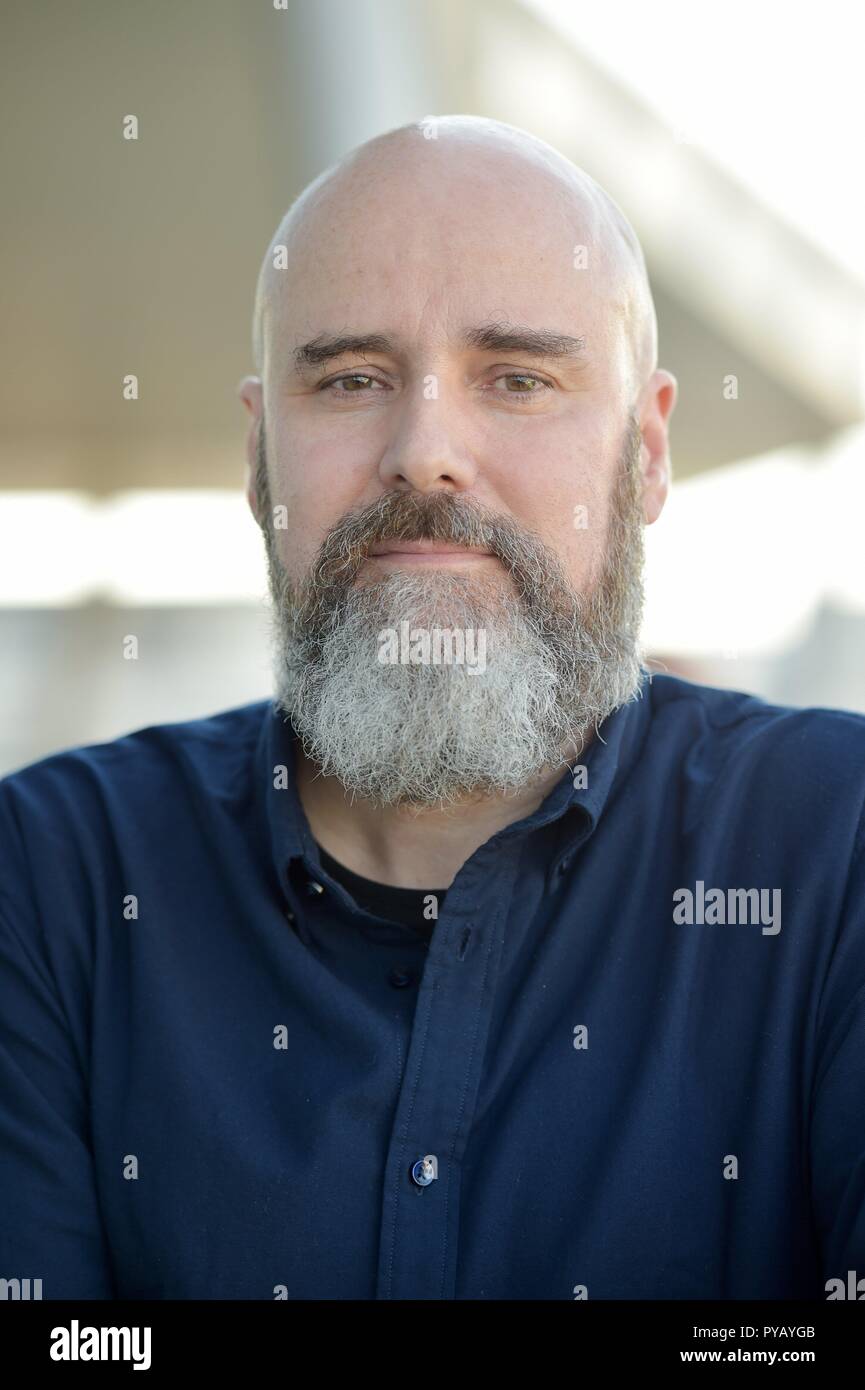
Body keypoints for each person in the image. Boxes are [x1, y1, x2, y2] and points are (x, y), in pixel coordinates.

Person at [1, 116, 863, 1301]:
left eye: (517, 378)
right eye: (351, 379)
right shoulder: (49, 885)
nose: (425, 452)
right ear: (258, 460)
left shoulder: (837, 852)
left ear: (647, 451)